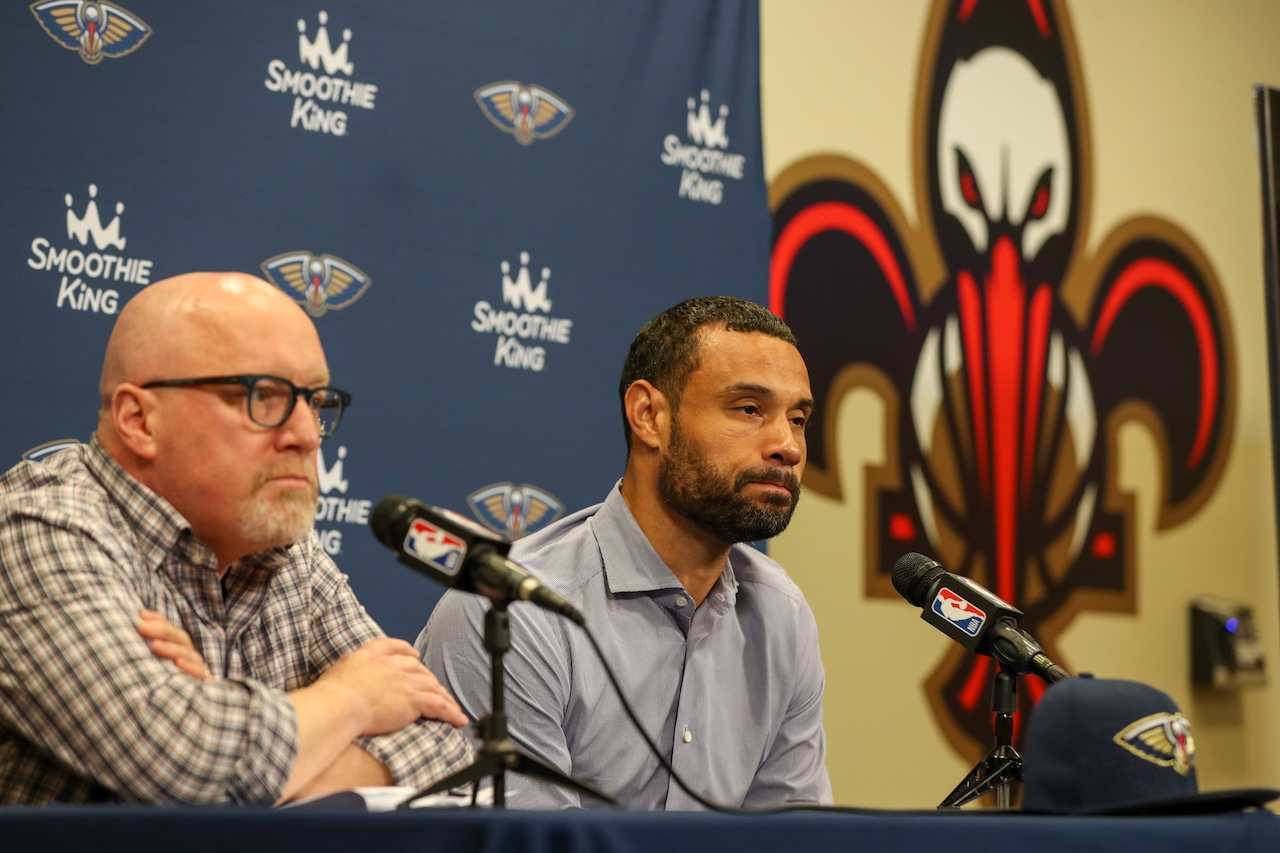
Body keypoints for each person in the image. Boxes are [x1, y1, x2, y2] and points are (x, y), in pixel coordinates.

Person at [0, 272, 471, 805]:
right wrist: (349, 699)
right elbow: (178, 758)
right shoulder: (39, 524)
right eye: (262, 396)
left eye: (315, 401)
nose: (306, 435)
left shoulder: (288, 552)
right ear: (140, 420)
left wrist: (225, 727)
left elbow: (444, 746)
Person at [418, 296, 832, 810]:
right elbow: (528, 844)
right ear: (648, 415)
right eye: (749, 409)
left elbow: (795, 837)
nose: (788, 446)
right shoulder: (512, 610)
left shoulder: (780, 614)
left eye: (798, 419)